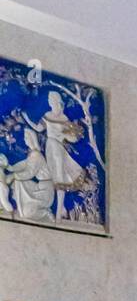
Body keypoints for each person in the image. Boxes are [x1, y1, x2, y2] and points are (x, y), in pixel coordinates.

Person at [26, 90, 84, 220]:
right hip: (49, 147)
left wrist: (64, 135)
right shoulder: (47, 115)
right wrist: (27, 119)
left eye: (51, 99)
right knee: (52, 176)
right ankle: (61, 208)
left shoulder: (64, 119)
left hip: (58, 147)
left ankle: (58, 213)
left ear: (56, 101)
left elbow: (73, 138)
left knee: (59, 177)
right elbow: (39, 128)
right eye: (49, 100)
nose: (49, 102)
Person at [8, 128, 55, 221]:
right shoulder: (33, 154)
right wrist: (10, 168)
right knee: (17, 183)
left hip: (45, 190)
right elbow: (24, 164)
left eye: (26, 137)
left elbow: (30, 172)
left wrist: (14, 175)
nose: (25, 140)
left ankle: (45, 212)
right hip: (39, 187)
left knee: (27, 213)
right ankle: (21, 203)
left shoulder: (37, 155)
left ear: (31, 139)